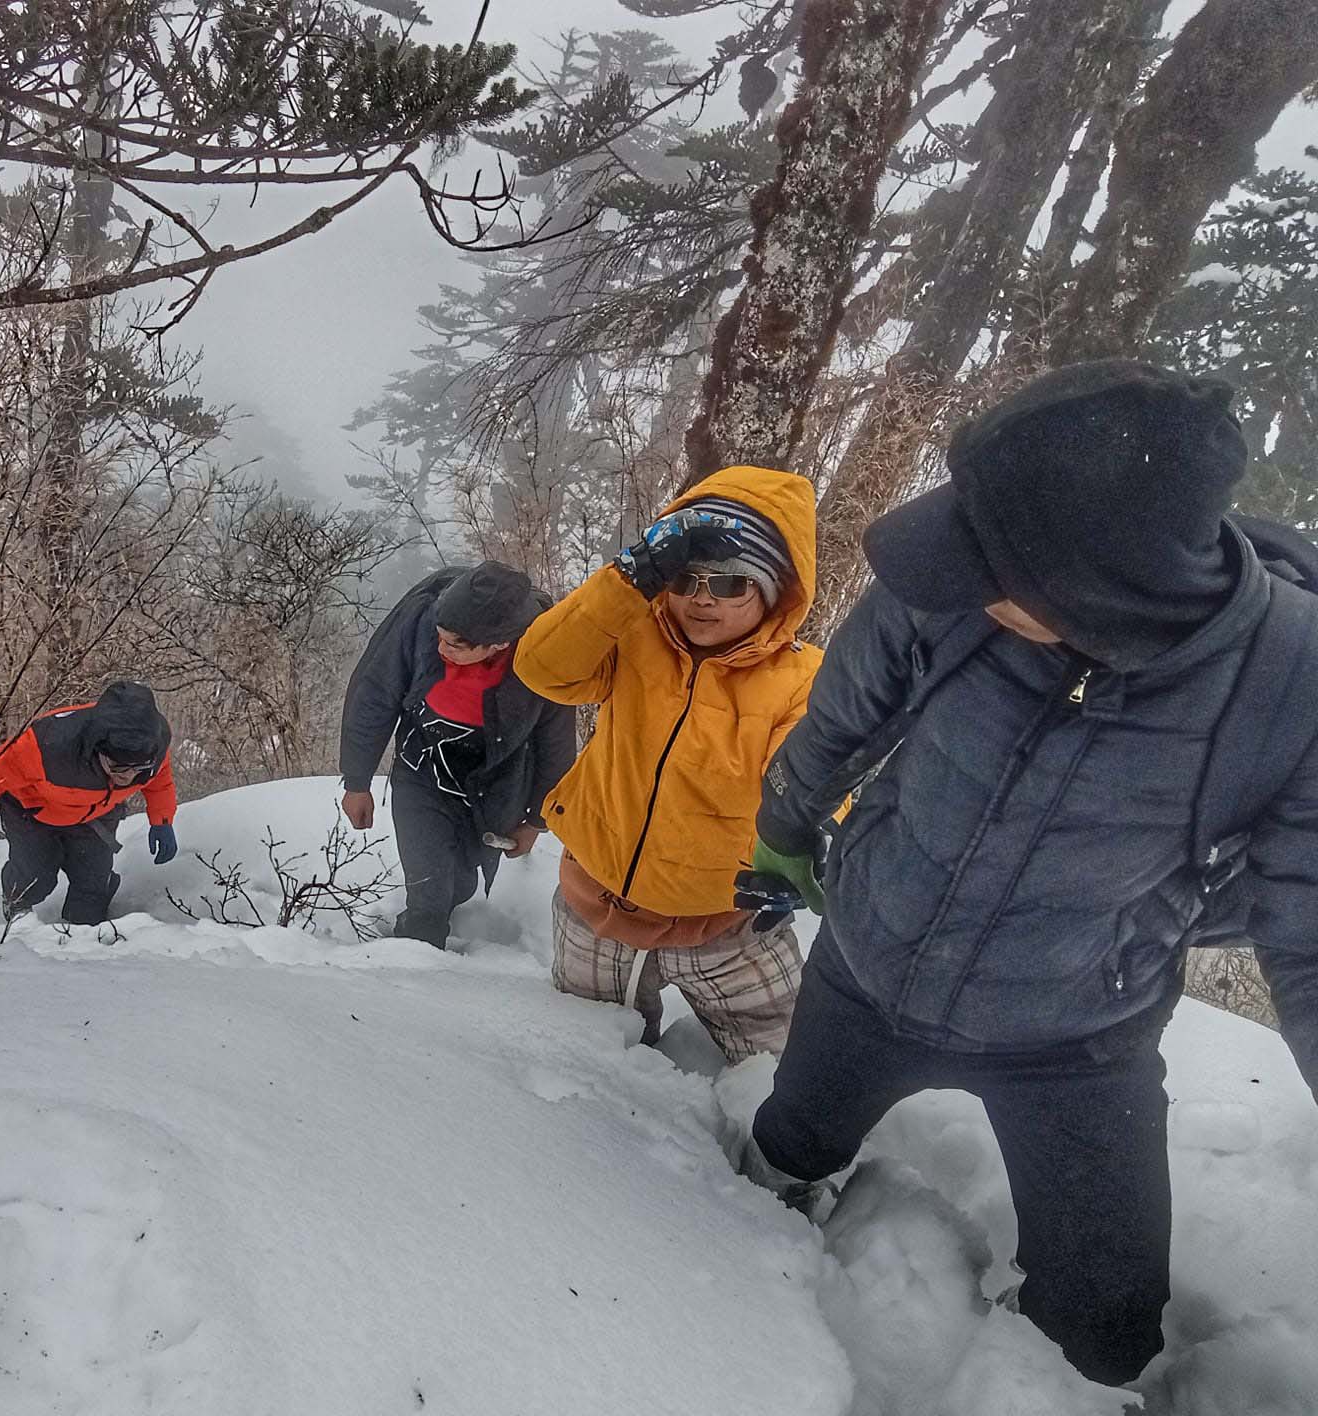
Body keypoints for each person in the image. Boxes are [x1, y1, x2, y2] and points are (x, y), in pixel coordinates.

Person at [736, 361, 1318, 1387]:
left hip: (1075, 1042)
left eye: (987, 571)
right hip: (866, 967)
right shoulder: (962, 576)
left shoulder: (1285, 686)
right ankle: (779, 1192)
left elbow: (1306, 923)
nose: (947, 575)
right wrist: (783, 827)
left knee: (1103, 1331)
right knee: (787, 1144)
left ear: (1089, 591)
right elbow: (844, 714)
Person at [513, 466, 822, 1062]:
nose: (703, 598)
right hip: (595, 907)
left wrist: (808, 841)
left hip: (729, 924)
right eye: (686, 578)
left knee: (785, 1072)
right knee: (588, 1069)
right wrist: (627, 582)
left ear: (773, 589)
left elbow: (815, 774)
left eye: (731, 584)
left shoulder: (803, 679)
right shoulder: (631, 637)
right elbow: (542, 669)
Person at [339, 560, 576, 948]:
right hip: (423, 767)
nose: (441, 648)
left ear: (498, 644)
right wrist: (357, 780)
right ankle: (409, 976)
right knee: (429, 898)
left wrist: (535, 820)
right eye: (440, 636)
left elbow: (555, 742)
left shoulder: (542, 655)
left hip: (492, 780)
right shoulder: (421, 619)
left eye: (456, 645)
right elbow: (374, 694)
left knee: (460, 886)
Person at [0, 681, 180, 924]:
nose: (127, 776)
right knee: (35, 876)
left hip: (94, 817)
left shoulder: (153, 743)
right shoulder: (46, 746)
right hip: (31, 812)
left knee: (93, 883)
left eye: (138, 768)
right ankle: (16, 910)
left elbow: (160, 783)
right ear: (96, 747)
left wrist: (162, 821)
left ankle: (83, 938)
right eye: (118, 767)